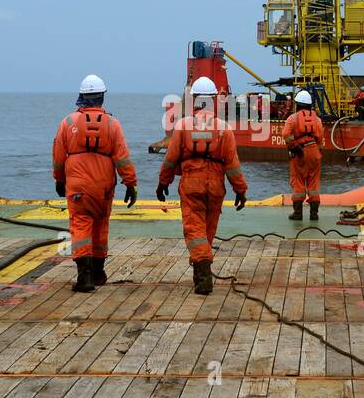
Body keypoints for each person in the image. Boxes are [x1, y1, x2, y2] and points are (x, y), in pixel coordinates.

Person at [157, 76, 247, 295]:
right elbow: (232, 164)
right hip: (216, 184)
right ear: (215, 99)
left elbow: (170, 158)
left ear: (194, 99)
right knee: (208, 229)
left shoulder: (183, 126)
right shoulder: (224, 128)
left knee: (194, 228)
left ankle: (203, 274)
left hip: (191, 182)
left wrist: (163, 182)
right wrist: (240, 190)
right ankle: (201, 269)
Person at [52, 74, 137, 293]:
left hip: (78, 184)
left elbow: (58, 156)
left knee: (80, 225)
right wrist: (130, 183)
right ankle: (99, 272)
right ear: (102, 96)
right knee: (101, 225)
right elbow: (122, 156)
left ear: (81, 96)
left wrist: (59, 180)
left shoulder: (68, 122)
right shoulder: (112, 123)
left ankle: (85, 276)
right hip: (103, 185)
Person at [283, 89, 324, 220]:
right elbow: (320, 139)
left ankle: (298, 213)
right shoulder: (317, 120)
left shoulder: (292, 119)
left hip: (300, 153)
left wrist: (296, 148)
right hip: (314, 152)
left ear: (297, 104)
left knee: (298, 182)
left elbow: (286, 135)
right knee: (314, 184)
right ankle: (314, 214)